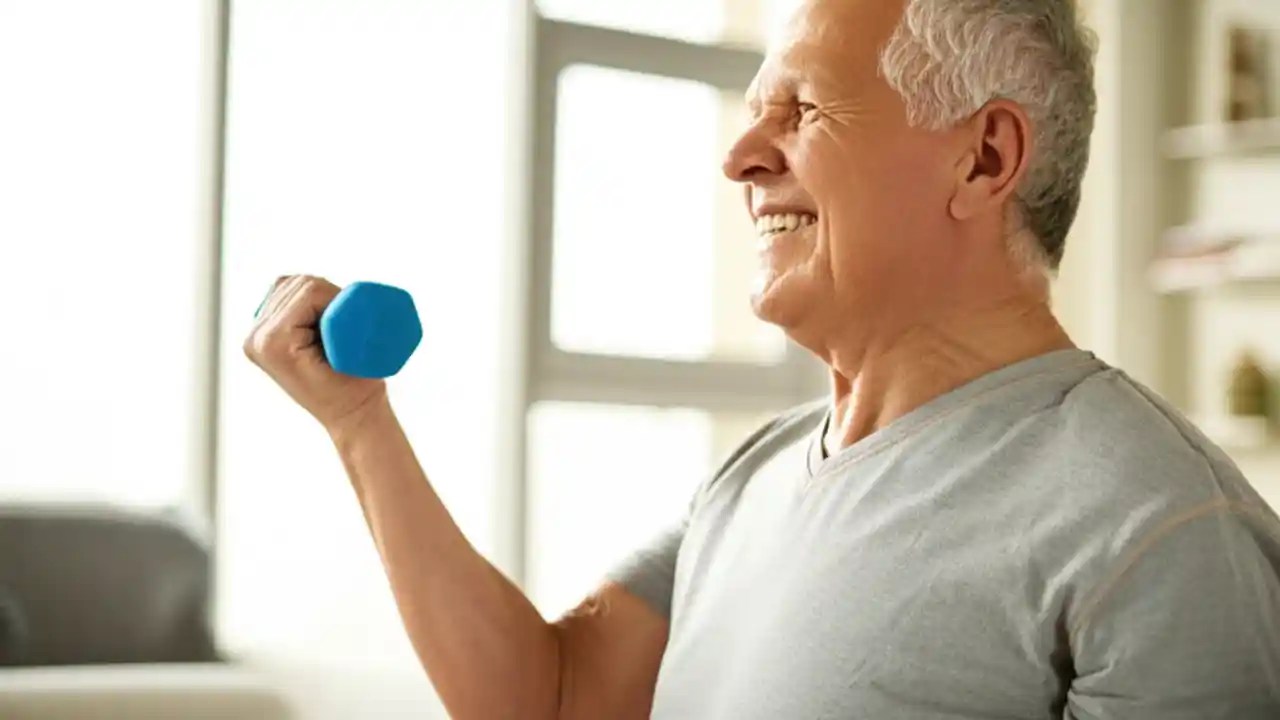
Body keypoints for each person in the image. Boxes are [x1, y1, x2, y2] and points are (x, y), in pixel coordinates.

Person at [245, 0, 1280, 717]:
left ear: (982, 157)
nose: (739, 156)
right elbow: (551, 699)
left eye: (800, 110)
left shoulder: (1161, 529)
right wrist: (359, 426)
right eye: (752, 114)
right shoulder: (754, 478)